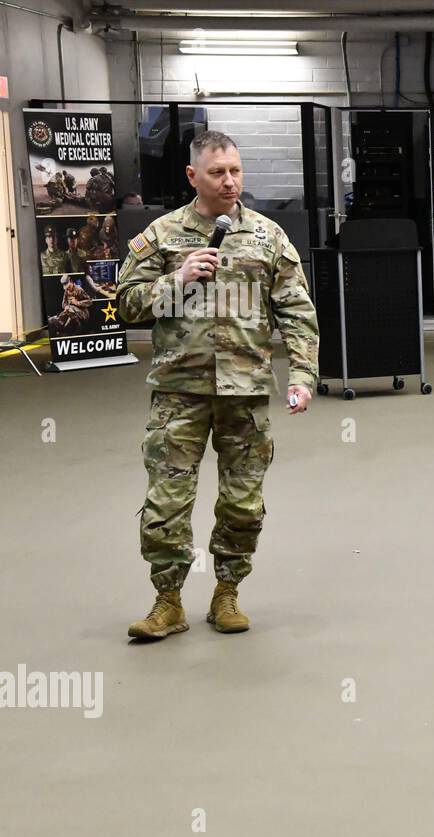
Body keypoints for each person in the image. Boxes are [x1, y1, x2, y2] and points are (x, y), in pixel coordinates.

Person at [116, 130, 319, 640]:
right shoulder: (160, 236)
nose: (230, 182)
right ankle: (167, 603)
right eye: (217, 172)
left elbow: (296, 311)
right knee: (165, 504)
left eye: (235, 170)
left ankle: (227, 593)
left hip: (245, 393)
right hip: (178, 393)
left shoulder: (269, 238)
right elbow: (126, 306)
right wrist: (177, 279)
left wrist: (302, 375)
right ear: (193, 176)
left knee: (243, 504)